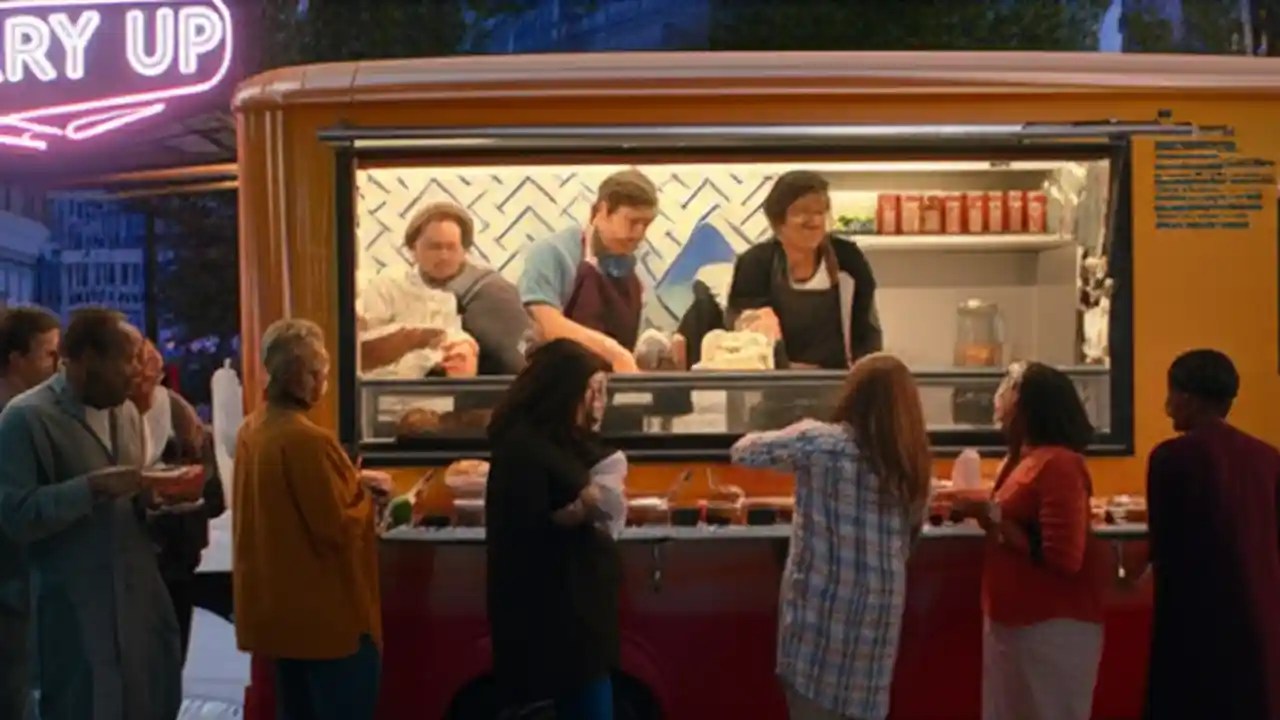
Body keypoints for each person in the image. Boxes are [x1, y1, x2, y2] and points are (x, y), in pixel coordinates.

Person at [0, 308, 190, 720]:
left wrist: (160, 497)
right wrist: (91, 488)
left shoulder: (124, 411)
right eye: (127, 360)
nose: (136, 373)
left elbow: (130, 503)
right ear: (85, 360)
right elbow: (16, 515)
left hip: (134, 611)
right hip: (71, 616)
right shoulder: (25, 419)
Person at [730, 352, 931, 720]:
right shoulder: (913, 462)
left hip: (819, 619)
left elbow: (743, 451)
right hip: (877, 623)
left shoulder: (821, 442)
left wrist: (794, 427)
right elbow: (912, 535)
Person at [232, 318, 391, 720]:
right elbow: (337, 526)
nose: (324, 382)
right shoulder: (309, 440)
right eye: (320, 373)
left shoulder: (254, 428)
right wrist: (368, 496)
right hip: (328, 623)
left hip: (281, 616)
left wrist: (347, 479)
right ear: (303, 378)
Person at [953, 362, 1105, 720]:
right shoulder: (1022, 460)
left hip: (1049, 627)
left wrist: (993, 516)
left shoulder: (1060, 465)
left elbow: (1064, 557)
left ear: (1030, 403)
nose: (997, 396)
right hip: (1014, 623)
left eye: (1009, 386)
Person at [485, 339, 621, 719]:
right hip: (549, 633)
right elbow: (523, 534)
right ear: (566, 392)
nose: (599, 403)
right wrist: (578, 511)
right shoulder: (524, 449)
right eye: (593, 392)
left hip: (577, 634)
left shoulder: (559, 441)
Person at [1143, 349, 1280, 719]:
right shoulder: (1269, 459)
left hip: (1195, 616)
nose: (1167, 407)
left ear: (1186, 397)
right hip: (1260, 612)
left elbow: (1165, 548)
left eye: (1170, 395)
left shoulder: (1171, 458)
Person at [727, 170, 882, 370]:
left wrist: (867, 375)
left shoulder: (848, 259)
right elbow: (742, 327)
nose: (815, 221)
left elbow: (867, 328)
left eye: (820, 212)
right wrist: (754, 320)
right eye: (803, 211)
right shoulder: (756, 263)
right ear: (778, 221)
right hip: (774, 382)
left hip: (839, 379)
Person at [133, 340, 226, 663]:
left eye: (155, 373)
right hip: (128, 560)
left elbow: (212, 490)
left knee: (169, 653)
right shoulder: (102, 413)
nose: (148, 380)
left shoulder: (175, 410)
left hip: (175, 553)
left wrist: (182, 487)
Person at [361, 201, 528, 376]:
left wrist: (465, 352)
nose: (443, 256)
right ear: (413, 248)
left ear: (464, 251)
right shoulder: (386, 285)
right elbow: (365, 350)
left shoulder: (483, 291)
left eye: (451, 247)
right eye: (434, 247)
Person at [519, 169, 659, 373]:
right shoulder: (551, 253)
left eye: (646, 224)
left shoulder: (633, 269)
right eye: (632, 222)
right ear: (600, 212)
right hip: (553, 384)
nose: (639, 234)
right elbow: (549, 325)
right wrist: (614, 352)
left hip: (609, 386)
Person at [0, 305, 60, 720]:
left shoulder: (35, 413)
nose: (57, 365)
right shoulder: (16, 418)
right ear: (16, 359)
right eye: (48, 354)